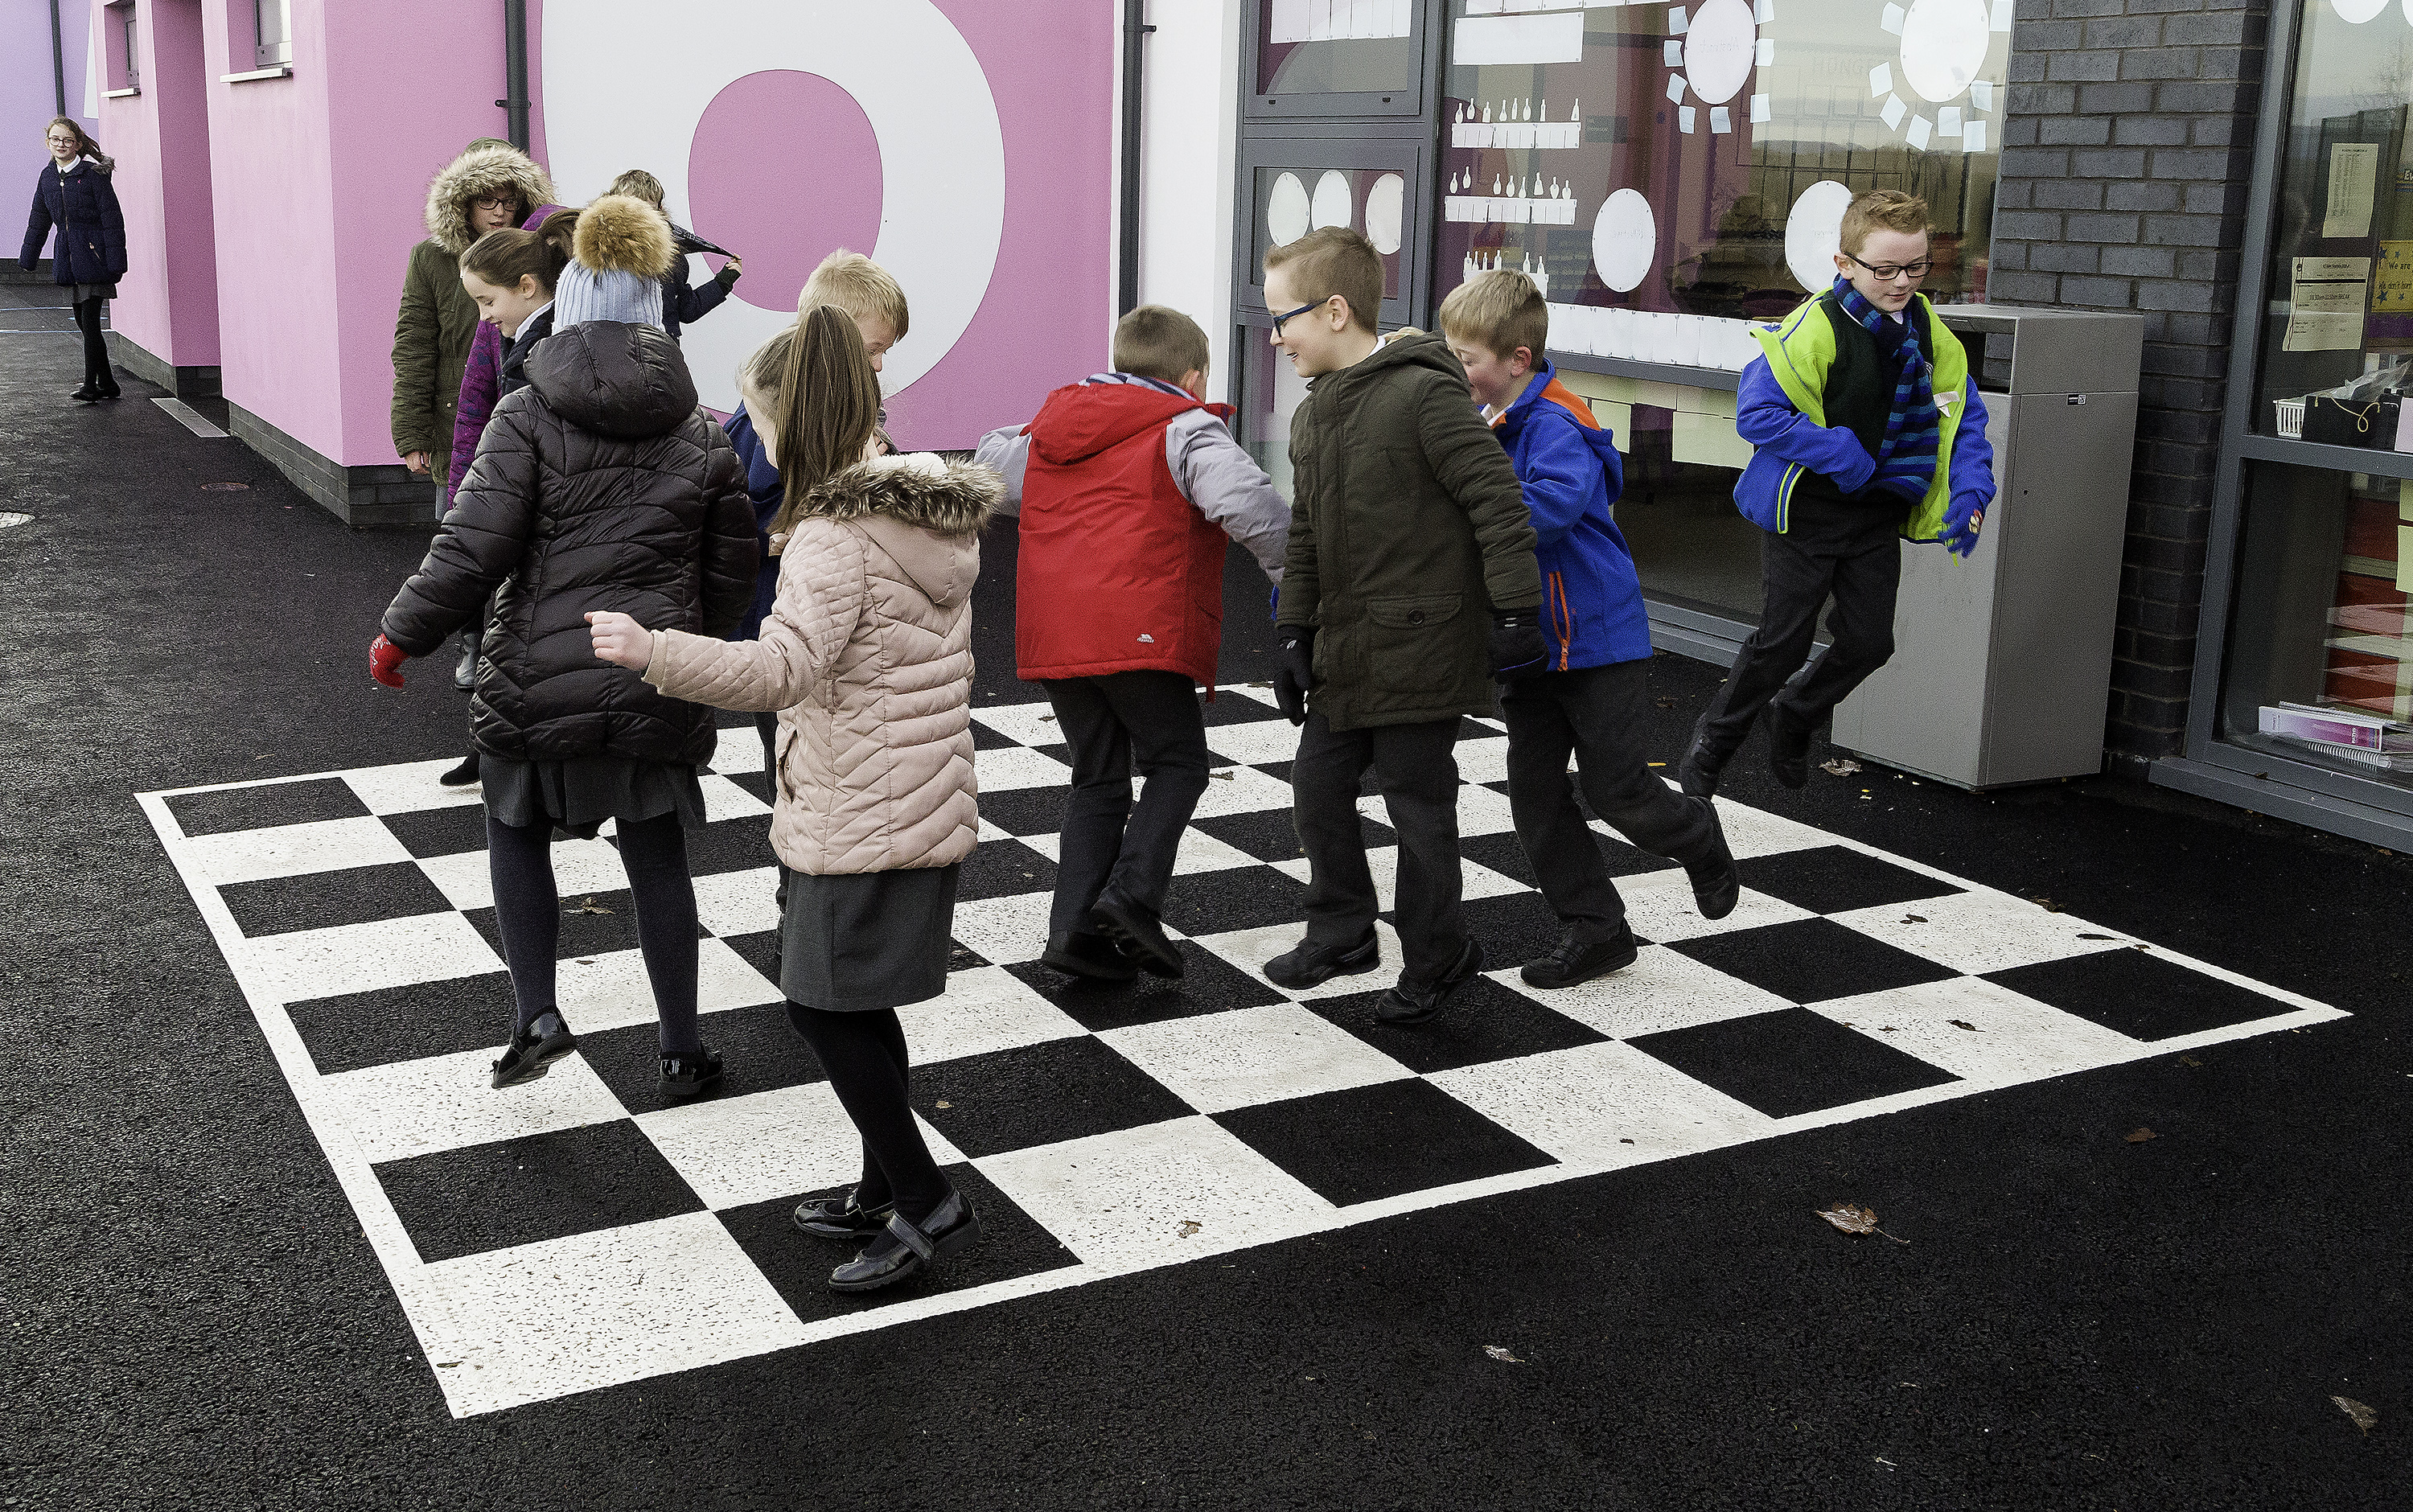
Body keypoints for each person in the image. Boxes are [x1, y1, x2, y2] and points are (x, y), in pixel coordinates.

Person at [588, 310, 997, 1295]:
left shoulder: (831, 535)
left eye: (761, 422)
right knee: (855, 1000)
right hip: (910, 788)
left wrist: (655, 652)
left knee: (819, 1003)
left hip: (862, 801)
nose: (755, 442)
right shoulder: (916, 509)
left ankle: (924, 1193)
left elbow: (783, 669)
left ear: (799, 420)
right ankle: (882, 1185)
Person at [370, 192, 756, 1103]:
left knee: (516, 834)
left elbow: (471, 548)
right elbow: (732, 570)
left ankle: (536, 1015)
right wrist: (691, 651)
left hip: (534, 674)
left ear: (568, 308)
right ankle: (682, 1049)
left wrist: (400, 635)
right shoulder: (702, 431)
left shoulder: (525, 415)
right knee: (657, 858)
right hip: (652, 672)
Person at [1260, 227, 1546, 1026]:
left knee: (1418, 810)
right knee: (1318, 788)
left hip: (1424, 645)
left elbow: (1498, 502)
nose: (1276, 337)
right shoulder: (1315, 416)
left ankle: (1438, 953)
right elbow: (1307, 534)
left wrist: (1516, 611)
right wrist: (1294, 631)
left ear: (1336, 311)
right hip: (1347, 650)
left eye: (1283, 318)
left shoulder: (1423, 395)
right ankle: (1343, 930)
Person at [1436, 271, 1740, 990]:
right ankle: (1597, 930)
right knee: (1534, 797)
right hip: (1532, 645)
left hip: (1600, 642)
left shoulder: (1556, 425)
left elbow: (1549, 511)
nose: (1456, 369)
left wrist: (1464, 505)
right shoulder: (1493, 421)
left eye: (1466, 358)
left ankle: (1695, 832)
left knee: (1618, 790)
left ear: (1517, 359)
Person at [973, 306, 1290, 980]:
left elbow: (990, 467)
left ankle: (1073, 934)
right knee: (1178, 763)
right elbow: (1249, 507)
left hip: (1055, 635)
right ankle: (1132, 898)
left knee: (1097, 777)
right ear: (1193, 376)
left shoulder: (1051, 430)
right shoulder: (1186, 428)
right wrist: (1298, 585)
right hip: (1141, 629)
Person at [1675, 190, 1996, 797]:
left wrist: (1972, 488)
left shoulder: (1931, 333)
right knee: (1782, 644)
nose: (1903, 282)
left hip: (1876, 514)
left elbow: (1963, 420)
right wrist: (1842, 453)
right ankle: (1713, 743)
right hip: (1807, 513)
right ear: (1844, 264)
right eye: (1886, 270)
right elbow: (1758, 415)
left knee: (1871, 642)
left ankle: (1795, 715)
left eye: (1917, 267)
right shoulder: (1816, 326)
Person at [726, 248, 909, 775]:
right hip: (781, 620)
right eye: (873, 349)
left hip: (810, 622)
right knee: (796, 761)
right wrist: (773, 539)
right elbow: (739, 513)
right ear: (834, 336)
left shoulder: (807, 406)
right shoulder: (774, 417)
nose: (879, 364)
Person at [18, 117, 126, 402]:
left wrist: (116, 262)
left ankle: (91, 386)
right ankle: (108, 384)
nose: (61, 145)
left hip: (94, 256)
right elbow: (39, 219)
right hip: (68, 256)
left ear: (77, 144)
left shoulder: (93, 176)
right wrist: (28, 258)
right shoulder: (47, 177)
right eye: (56, 139)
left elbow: (112, 220)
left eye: (67, 140)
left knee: (90, 323)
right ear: (48, 143)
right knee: (82, 321)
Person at [602, 170, 742, 343]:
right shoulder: (599, 255)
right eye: (631, 209)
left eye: (646, 210)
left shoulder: (672, 257)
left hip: (663, 350)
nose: (640, 218)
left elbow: (687, 310)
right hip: (619, 348)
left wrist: (722, 283)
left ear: (660, 210)